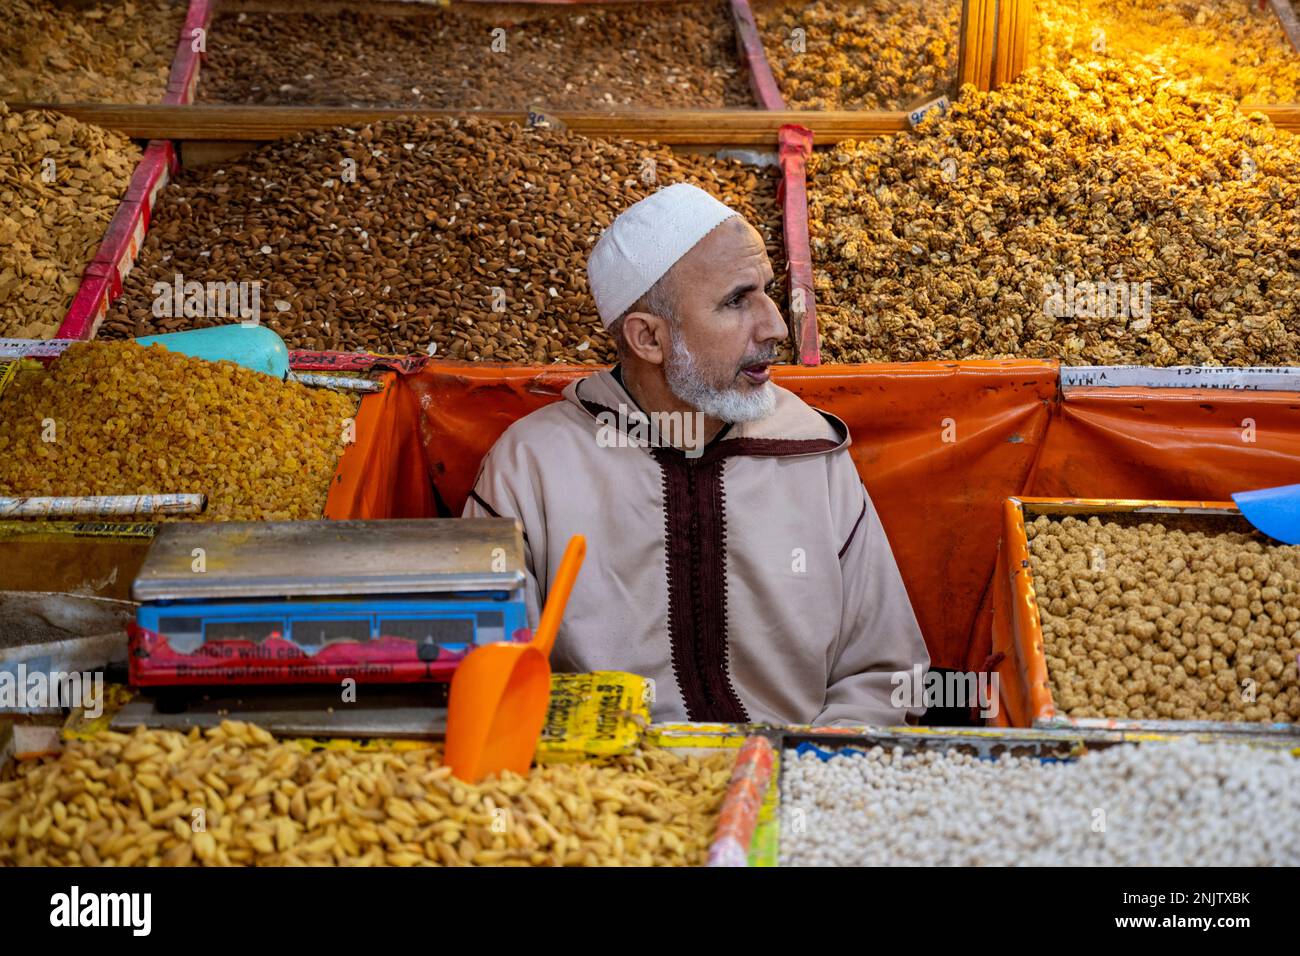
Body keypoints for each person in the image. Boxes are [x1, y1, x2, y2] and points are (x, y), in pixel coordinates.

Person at [464, 182, 929, 726]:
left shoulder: (810, 451)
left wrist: (816, 758)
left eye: (766, 291)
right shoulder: (532, 467)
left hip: (797, 765)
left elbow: (884, 672)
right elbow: (488, 683)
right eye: (736, 301)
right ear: (648, 339)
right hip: (605, 773)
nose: (776, 326)